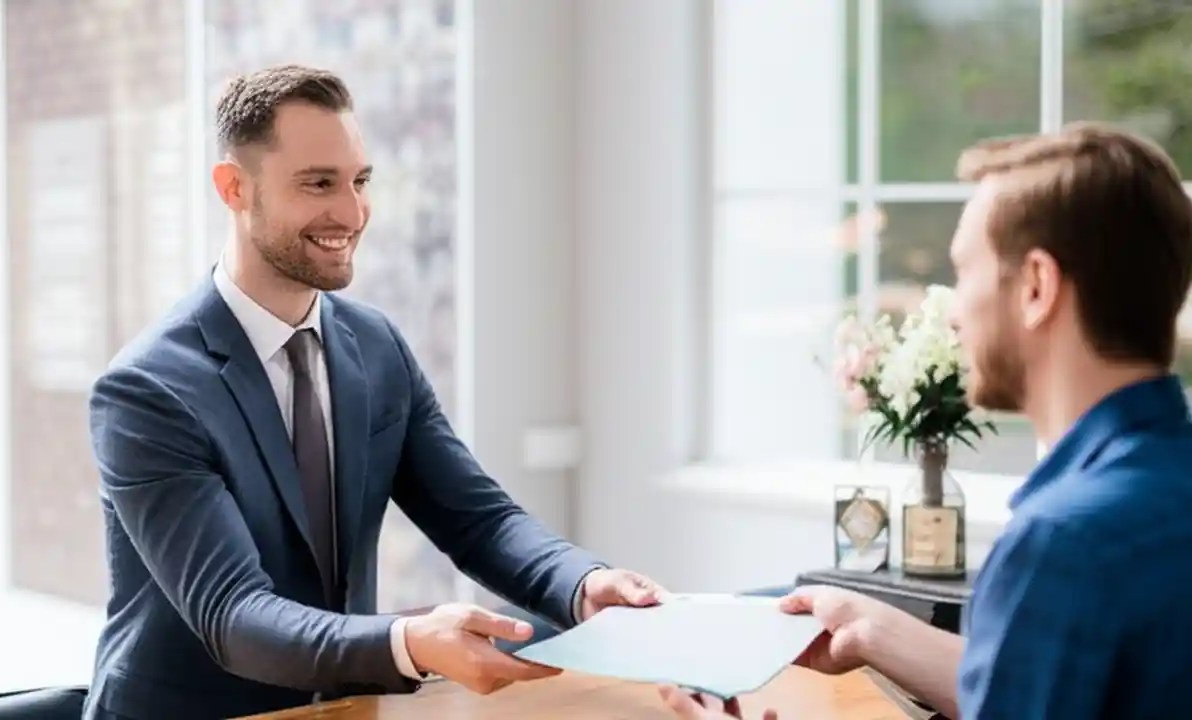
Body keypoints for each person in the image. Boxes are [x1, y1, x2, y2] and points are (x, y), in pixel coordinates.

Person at [84, 64, 663, 720]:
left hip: (342, 710)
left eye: (360, 182)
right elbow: (232, 614)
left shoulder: (375, 346)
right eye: (319, 184)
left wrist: (583, 585)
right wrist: (409, 641)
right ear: (234, 188)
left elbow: (478, 519)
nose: (352, 213)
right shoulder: (147, 391)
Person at [662, 123, 1192, 719]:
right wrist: (872, 631)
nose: (954, 310)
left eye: (965, 272)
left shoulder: (1063, 542)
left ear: (1037, 287)